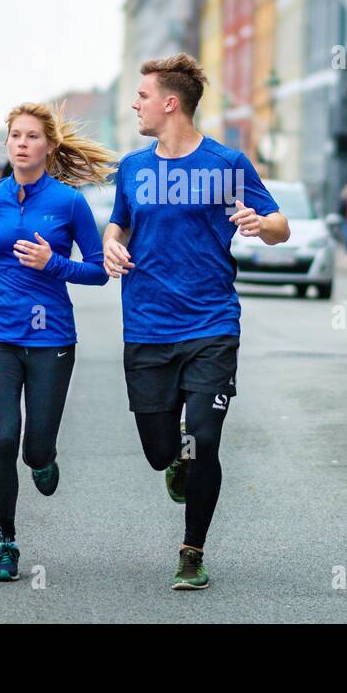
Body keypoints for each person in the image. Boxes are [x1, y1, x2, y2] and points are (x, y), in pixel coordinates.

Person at [104, 53, 288, 591]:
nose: (135, 104)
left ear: (169, 102)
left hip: (210, 323)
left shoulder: (227, 163)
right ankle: (175, 459)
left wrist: (262, 223)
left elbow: (280, 225)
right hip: (146, 327)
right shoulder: (134, 168)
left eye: (142, 96)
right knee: (162, 449)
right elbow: (118, 226)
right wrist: (112, 248)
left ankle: (192, 551)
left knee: (204, 438)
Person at [0, 103, 113, 582]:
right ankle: (6, 542)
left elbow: (100, 271)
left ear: (48, 146)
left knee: (34, 448)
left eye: (31, 136)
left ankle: (44, 460)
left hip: (52, 339)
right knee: (3, 439)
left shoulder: (69, 203)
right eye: (15, 136)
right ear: (6, 144)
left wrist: (53, 264)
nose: (22, 143)